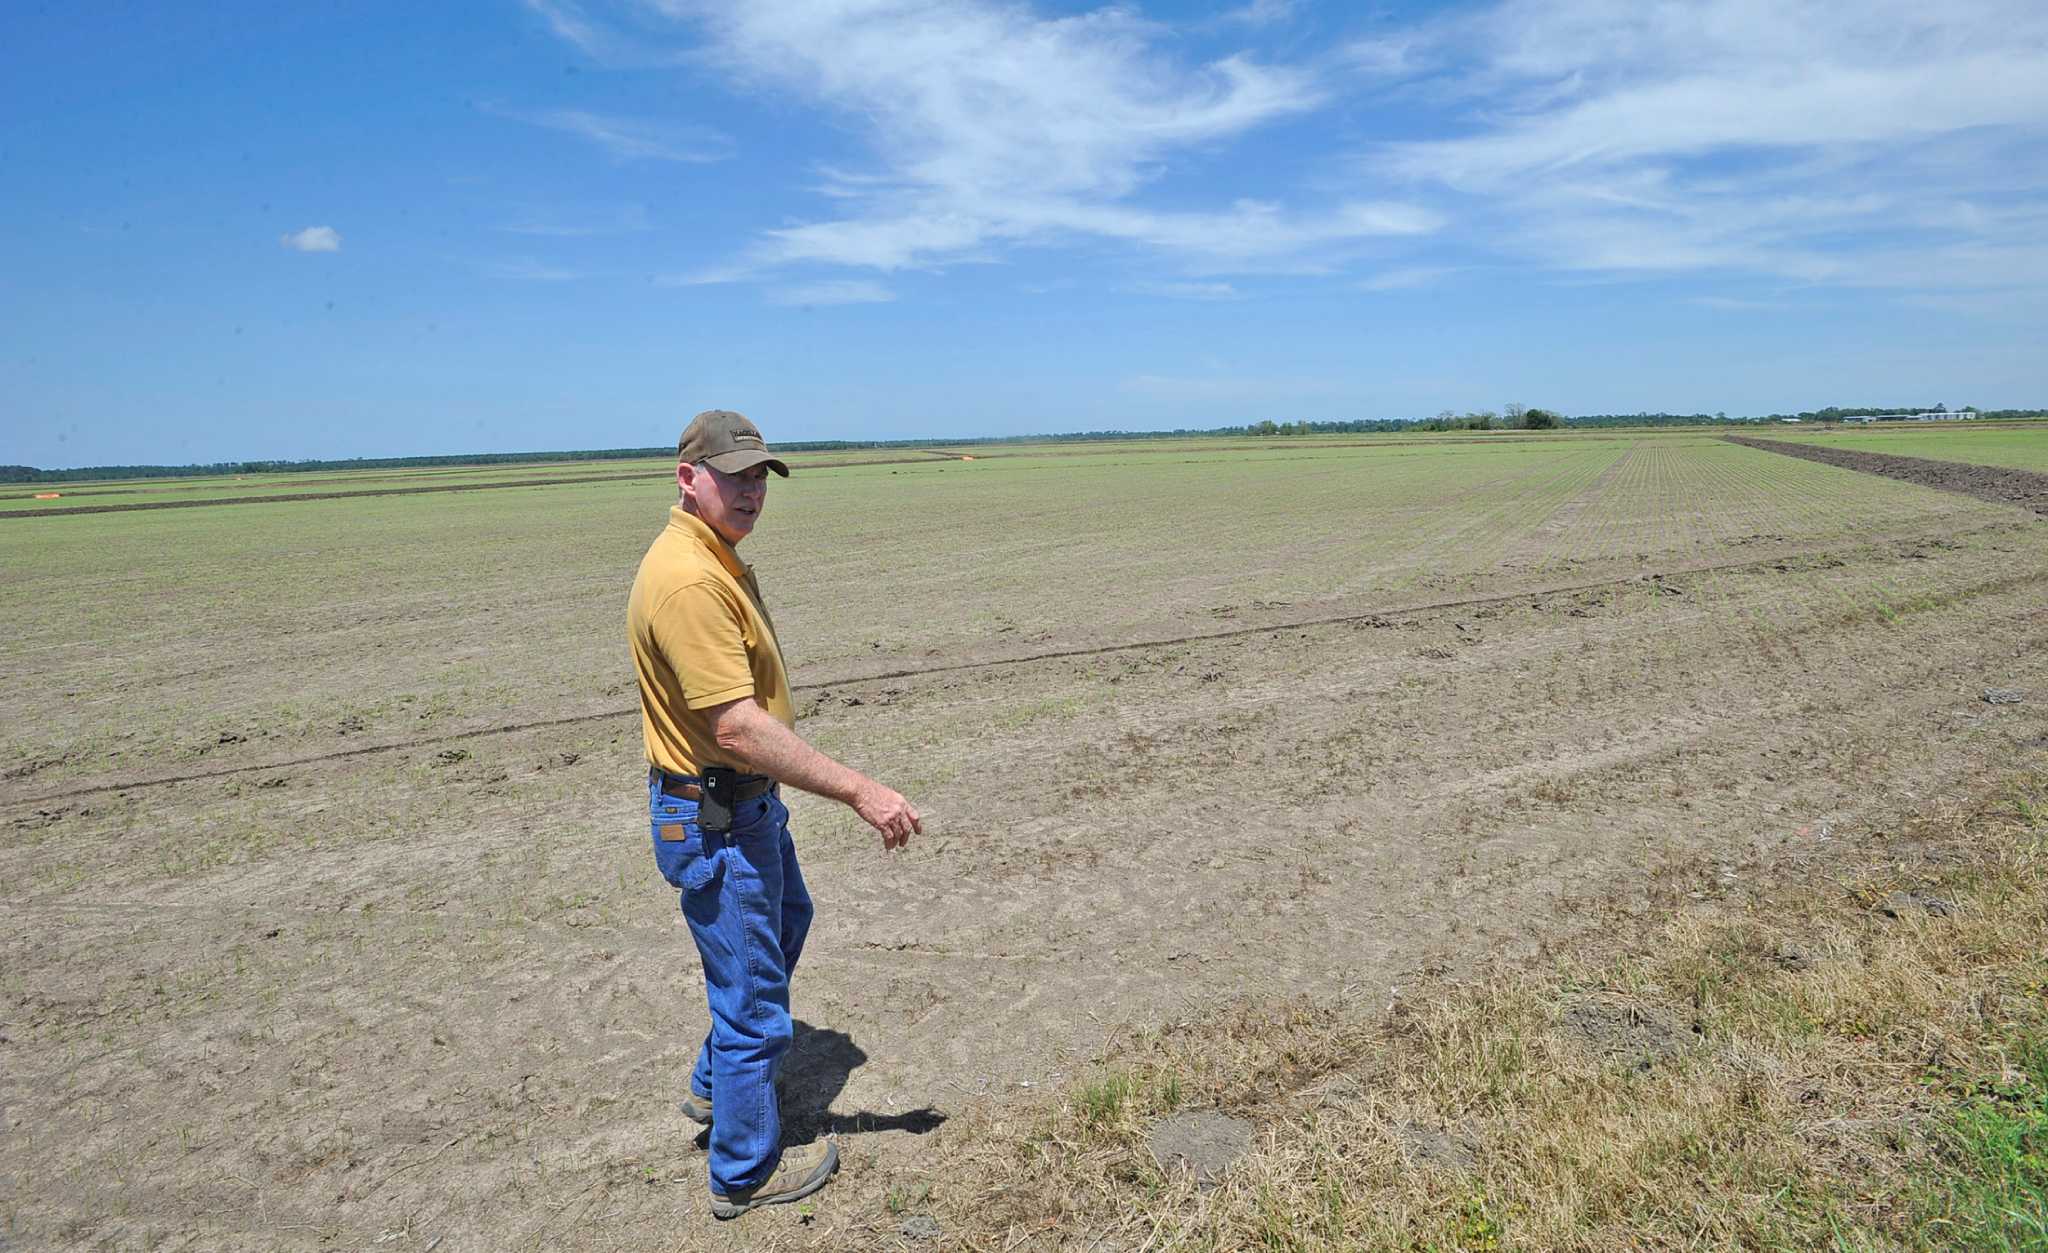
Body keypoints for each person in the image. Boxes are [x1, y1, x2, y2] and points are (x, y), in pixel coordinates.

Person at [626, 409, 922, 1219]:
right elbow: (735, 725)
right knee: (756, 1003)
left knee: (786, 921)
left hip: (742, 808)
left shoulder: (713, 555)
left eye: (760, 474)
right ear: (688, 477)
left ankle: (710, 1086)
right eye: (735, 474)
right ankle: (741, 1174)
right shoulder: (690, 578)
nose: (752, 489)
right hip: (719, 813)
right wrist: (862, 790)